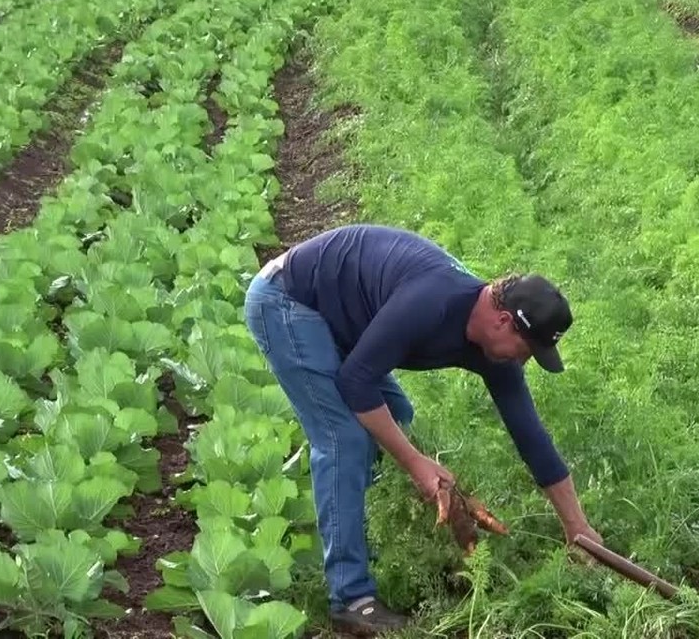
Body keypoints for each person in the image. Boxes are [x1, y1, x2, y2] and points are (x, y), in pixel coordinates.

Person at [243, 223, 603, 635]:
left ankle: (370, 535)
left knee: (397, 416)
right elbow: (355, 383)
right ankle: (352, 598)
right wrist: (416, 464)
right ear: (504, 321)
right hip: (288, 300)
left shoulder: (494, 349)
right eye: (528, 351)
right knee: (345, 440)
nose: (523, 362)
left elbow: (531, 438)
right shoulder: (434, 302)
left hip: (341, 318)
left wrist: (576, 526)